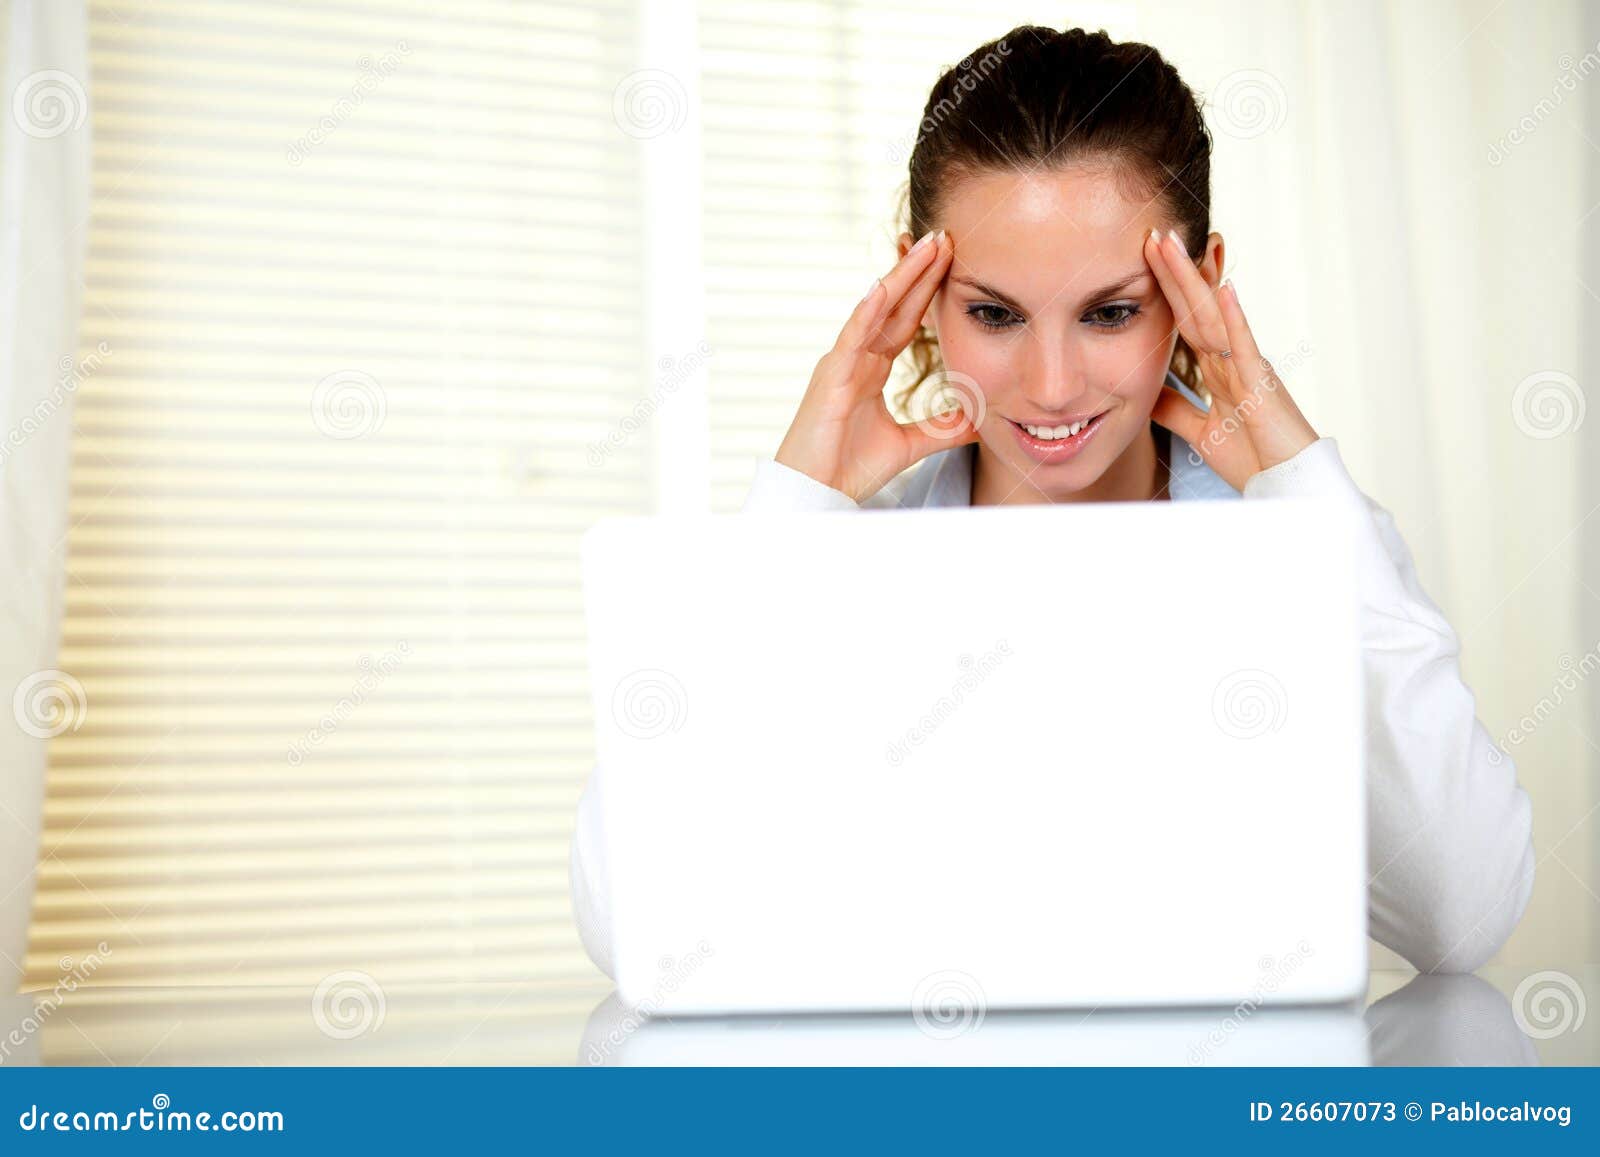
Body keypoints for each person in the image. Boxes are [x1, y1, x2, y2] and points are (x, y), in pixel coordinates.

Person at [570, 25, 1535, 981]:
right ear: (921, 292)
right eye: (994, 313)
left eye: (1110, 312)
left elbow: (1463, 914)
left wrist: (1299, 478)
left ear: (1199, 286)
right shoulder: (824, 573)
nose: (1054, 383)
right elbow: (636, 931)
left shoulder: (1303, 555)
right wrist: (795, 509)